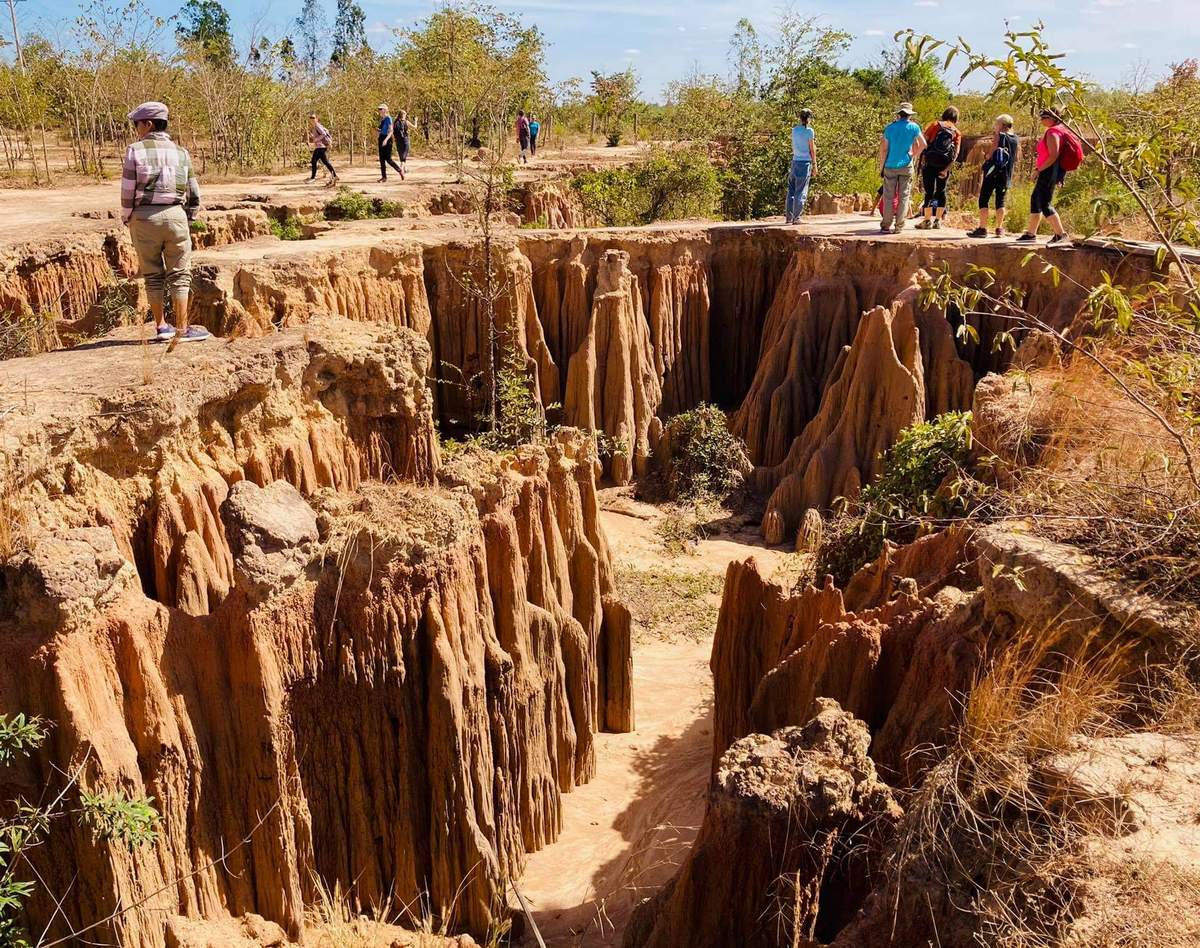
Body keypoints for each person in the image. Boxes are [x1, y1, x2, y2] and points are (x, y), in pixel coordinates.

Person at [120, 101, 208, 343]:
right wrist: (187, 217)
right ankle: (182, 328)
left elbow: (128, 189)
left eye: (137, 124)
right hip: (175, 214)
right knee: (180, 273)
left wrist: (128, 217)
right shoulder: (181, 153)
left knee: (152, 274)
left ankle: (161, 327)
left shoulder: (134, 150)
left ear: (148, 124)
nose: (136, 129)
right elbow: (193, 191)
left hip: (144, 216)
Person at [1018, 109, 1076, 245]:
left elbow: (1054, 154)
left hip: (1049, 171)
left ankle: (1061, 234)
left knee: (1045, 203)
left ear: (1051, 118)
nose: (1041, 120)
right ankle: (1031, 233)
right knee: (1035, 199)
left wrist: (1038, 169)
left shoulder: (1053, 132)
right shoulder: (1061, 130)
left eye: (1043, 117)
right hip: (1052, 171)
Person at [878, 103, 926, 234]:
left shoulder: (890, 128)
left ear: (899, 114)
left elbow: (885, 148)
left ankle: (886, 225)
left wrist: (882, 164)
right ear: (910, 115)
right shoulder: (914, 127)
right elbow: (923, 144)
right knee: (904, 196)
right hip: (906, 165)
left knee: (888, 196)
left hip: (890, 165)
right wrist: (912, 154)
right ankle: (899, 226)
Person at [969, 114, 1019, 238]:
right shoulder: (1015, 139)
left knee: (984, 198)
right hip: (1006, 174)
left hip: (993, 173)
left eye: (996, 124)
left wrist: (986, 156)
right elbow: (1015, 157)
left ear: (1002, 125)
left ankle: (982, 229)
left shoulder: (999, 136)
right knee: (1000, 201)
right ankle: (999, 228)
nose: (995, 126)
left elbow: (992, 152)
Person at [916, 106, 962, 230]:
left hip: (930, 163)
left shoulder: (935, 125)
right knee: (941, 192)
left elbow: (923, 142)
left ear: (944, 114)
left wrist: (923, 159)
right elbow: (956, 154)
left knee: (929, 192)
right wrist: (946, 169)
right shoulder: (956, 132)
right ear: (956, 118)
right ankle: (937, 221)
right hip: (944, 166)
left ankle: (926, 221)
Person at [785, 108, 817, 224]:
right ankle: (796, 218)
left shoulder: (794, 130)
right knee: (801, 190)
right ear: (808, 118)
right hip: (805, 163)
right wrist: (815, 164)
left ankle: (789, 217)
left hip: (795, 162)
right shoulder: (809, 131)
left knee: (791, 190)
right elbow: (812, 149)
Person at [308, 113, 338, 186]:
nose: (312, 119)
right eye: (311, 118)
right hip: (320, 147)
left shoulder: (317, 126)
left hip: (321, 147)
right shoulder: (315, 127)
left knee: (314, 161)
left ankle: (313, 177)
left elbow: (323, 134)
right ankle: (335, 176)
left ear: (317, 119)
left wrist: (316, 139)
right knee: (325, 162)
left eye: (313, 118)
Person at [377, 104, 404, 182]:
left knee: (388, 159)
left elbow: (391, 131)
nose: (379, 110)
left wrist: (385, 140)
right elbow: (381, 129)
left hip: (388, 139)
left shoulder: (388, 118)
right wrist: (378, 131)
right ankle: (384, 177)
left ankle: (399, 170)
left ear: (385, 110)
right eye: (379, 109)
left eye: (381, 109)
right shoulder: (382, 119)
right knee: (381, 159)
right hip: (381, 138)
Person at [396, 109, 418, 178]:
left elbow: (392, 131)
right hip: (405, 140)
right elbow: (415, 127)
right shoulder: (406, 122)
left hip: (398, 141)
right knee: (404, 156)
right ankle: (401, 168)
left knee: (401, 155)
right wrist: (416, 121)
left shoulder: (395, 122)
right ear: (404, 115)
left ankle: (404, 169)